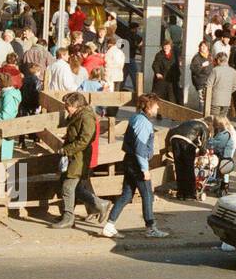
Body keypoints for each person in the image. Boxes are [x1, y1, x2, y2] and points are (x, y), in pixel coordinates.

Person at [101, 95, 169, 239]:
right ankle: (151, 227)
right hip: (138, 163)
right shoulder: (144, 123)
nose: (158, 108)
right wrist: (145, 169)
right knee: (148, 195)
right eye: (156, 105)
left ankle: (109, 225)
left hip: (129, 160)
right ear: (149, 106)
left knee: (126, 195)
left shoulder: (135, 118)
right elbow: (140, 148)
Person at [53, 92, 108, 229]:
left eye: (68, 106)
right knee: (74, 187)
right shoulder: (79, 115)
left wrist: (68, 149)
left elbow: (85, 139)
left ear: (76, 105)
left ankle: (69, 217)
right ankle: (99, 204)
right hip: (75, 155)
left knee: (68, 186)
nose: (66, 109)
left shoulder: (86, 117)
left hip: (80, 157)